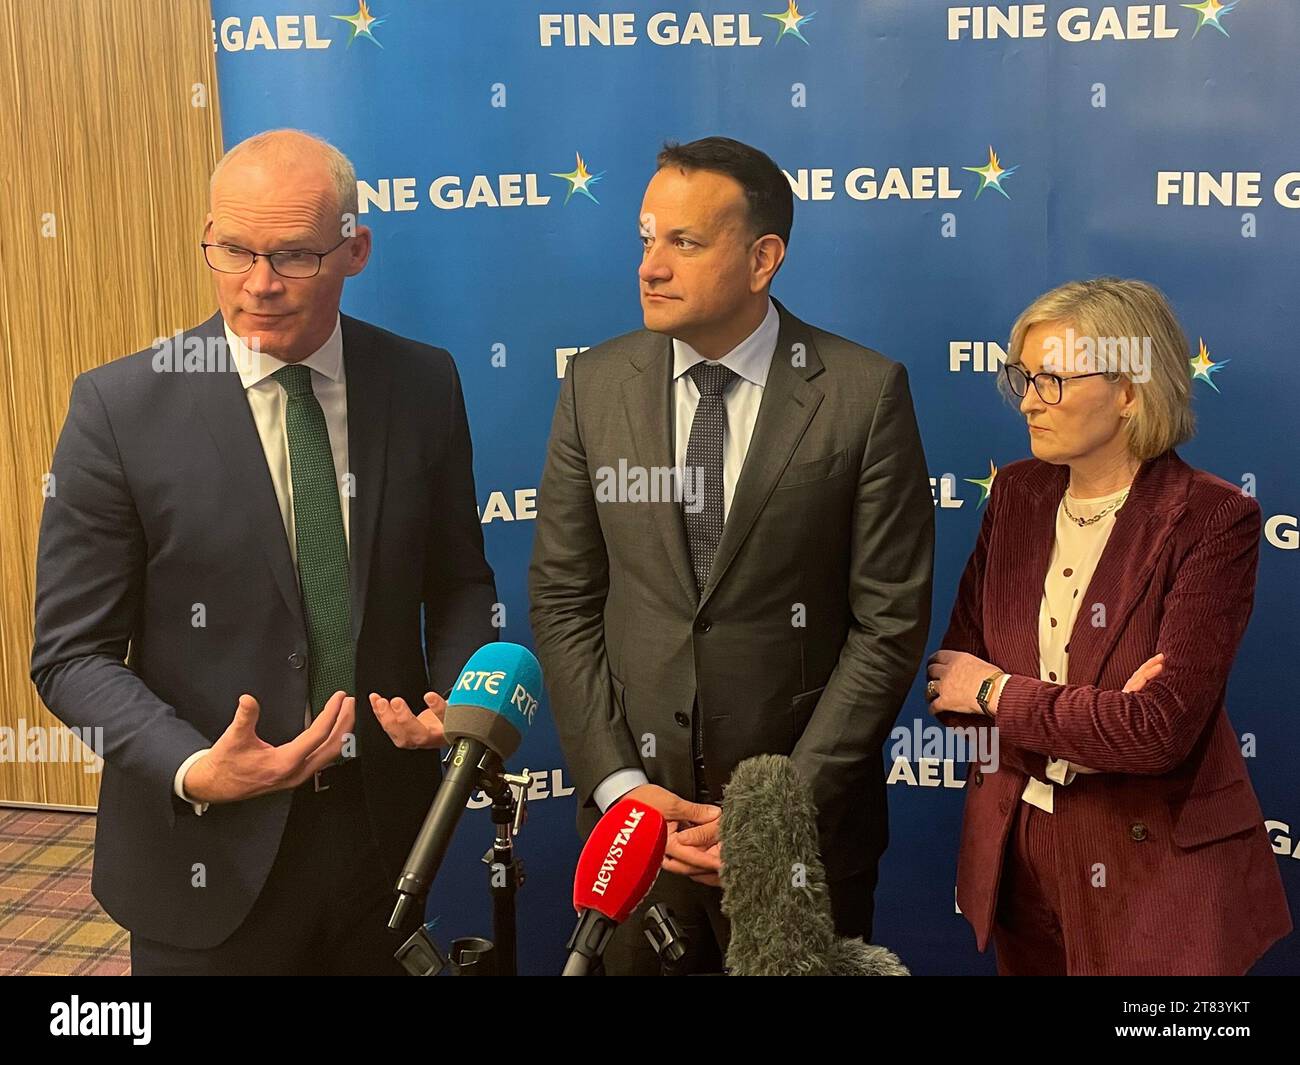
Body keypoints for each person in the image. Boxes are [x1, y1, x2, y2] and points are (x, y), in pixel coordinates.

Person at [30, 129, 497, 975]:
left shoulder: (424, 383)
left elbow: (460, 578)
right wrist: (194, 763)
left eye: (293, 255)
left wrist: (455, 695)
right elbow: (70, 656)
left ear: (354, 248)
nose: (259, 283)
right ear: (208, 235)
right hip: (201, 855)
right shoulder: (118, 407)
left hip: (382, 841)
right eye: (233, 249)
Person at [529, 136, 934, 974]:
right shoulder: (593, 386)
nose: (651, 266)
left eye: (683, 242)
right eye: (646, 239)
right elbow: (565, 600)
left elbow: (888, 623)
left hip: (802, 835)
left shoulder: (862, 393)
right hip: (637, 838)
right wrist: (616, 785)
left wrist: (774, 808)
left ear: (762, 258)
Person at [927, 277, 1291, 975]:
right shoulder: (1017, 494)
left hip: (1151, 874)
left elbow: (1157, 730)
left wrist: (1000, 695)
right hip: (1016, 856)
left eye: (1053, 380)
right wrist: (1092, 726)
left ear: (1129, 391)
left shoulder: (1213, 519)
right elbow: (949, 683)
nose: (1029, 399)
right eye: (1023, 378)